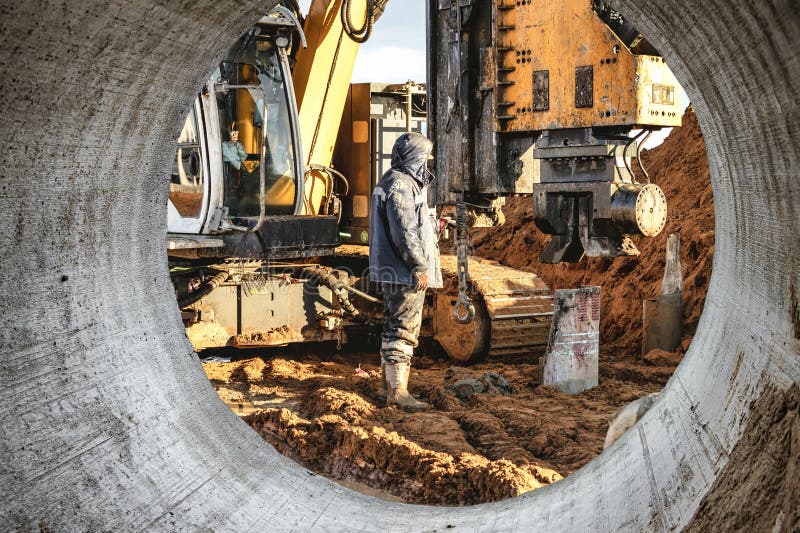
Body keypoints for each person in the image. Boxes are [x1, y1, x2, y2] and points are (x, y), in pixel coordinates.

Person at [369, 132, 442, 411]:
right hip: (404, 272)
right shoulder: (401, 185)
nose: (427, 165)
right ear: (415, 158)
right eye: (425, 159)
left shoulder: (394, 181)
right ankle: (398, 393)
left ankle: (389, 387)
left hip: (397, 269)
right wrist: (419, 266)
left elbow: (410, 226)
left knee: (393, 327)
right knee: (403, 329)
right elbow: (404, 232)